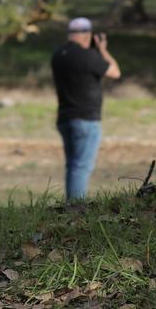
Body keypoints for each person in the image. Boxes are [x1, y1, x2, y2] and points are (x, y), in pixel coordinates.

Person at [50, 17, 120, 204]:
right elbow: (115, 72)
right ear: (87, 35)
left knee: (72, 165)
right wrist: (103, 50)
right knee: (82, 166)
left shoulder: (58, 54)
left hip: (65, 117)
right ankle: (76, 208)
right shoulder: (87, 56)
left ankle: (71, 205)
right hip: (86, 118)